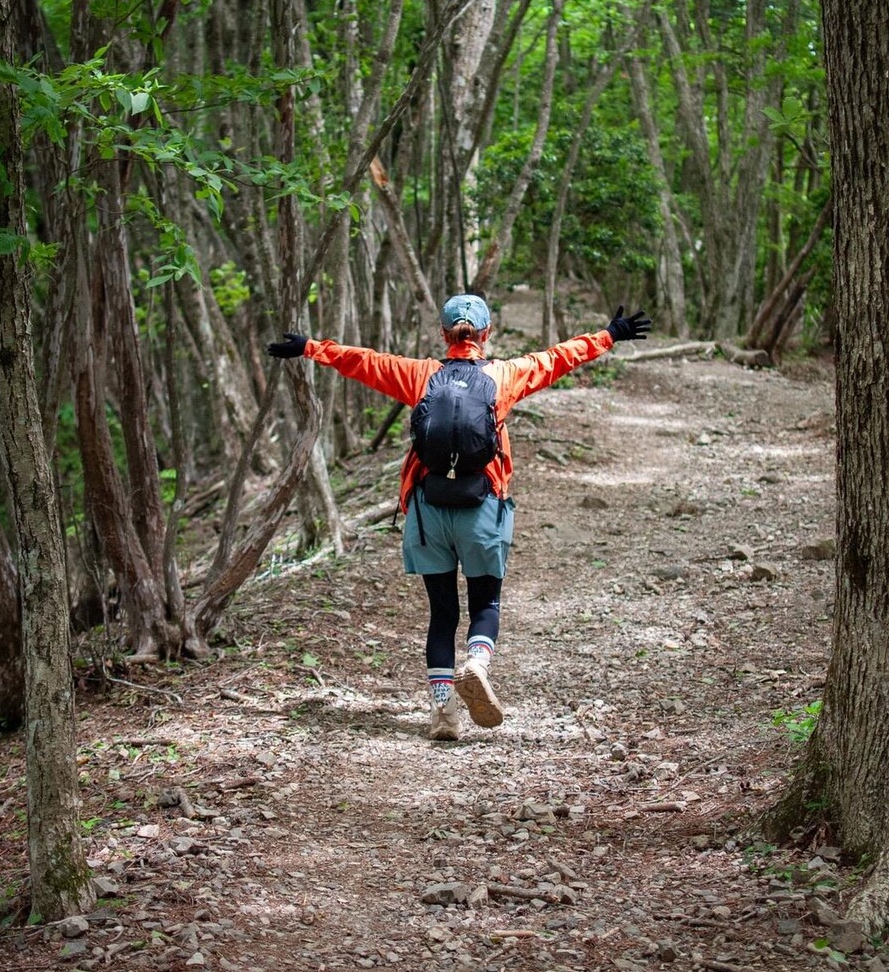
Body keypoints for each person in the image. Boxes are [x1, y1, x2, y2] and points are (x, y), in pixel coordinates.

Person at [268, 295, 651, 738]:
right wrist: (609, 335)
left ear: (444, 334)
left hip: (429, 511)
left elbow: (363, 361)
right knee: (485, 602)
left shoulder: (419, 375)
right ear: (485, 335)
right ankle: (476, 663)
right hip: (482, 506)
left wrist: (310, 347)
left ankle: (443, 711)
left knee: (441, 612)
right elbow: (558, 358)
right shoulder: (504, 375)